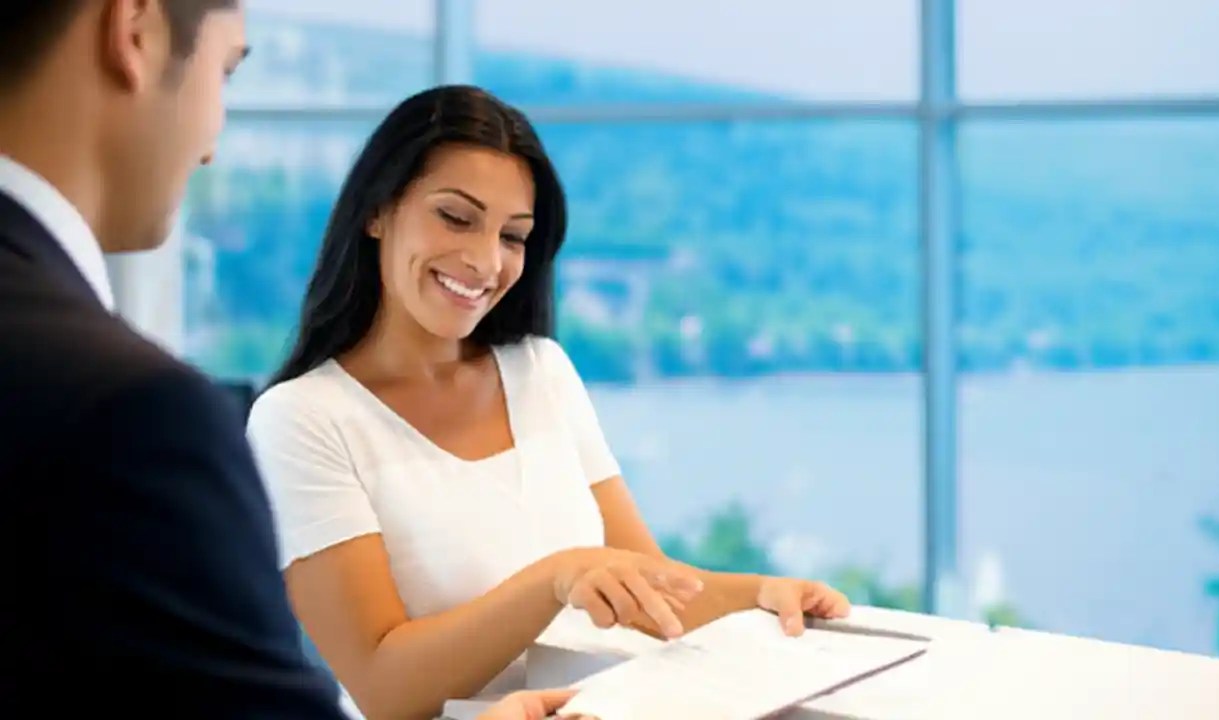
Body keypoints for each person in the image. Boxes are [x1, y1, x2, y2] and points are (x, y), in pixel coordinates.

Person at [0, 3, 572, 718]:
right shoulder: (133, 411)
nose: (213, 141)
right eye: (226, 72)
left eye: (513, 235)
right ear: (136, 32)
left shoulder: (538, 371)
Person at [247, 84, 854, 720]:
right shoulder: (302, 419)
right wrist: (556, 578)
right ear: (377, 210)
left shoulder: (540, 370)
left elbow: (647, 582)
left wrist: (764, 595)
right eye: (455, 217)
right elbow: (385, 687)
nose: (485, 261)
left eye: (514, 236)